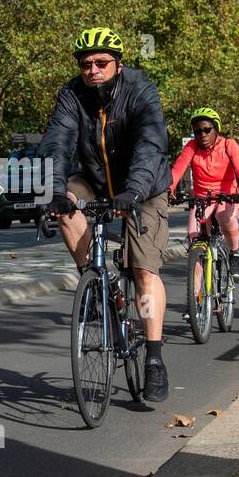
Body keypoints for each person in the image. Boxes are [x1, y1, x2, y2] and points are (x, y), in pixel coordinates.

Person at [39, 27, 173, 402]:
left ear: (118, 63)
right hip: (97, 181)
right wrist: (53, 192)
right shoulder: (71, 95)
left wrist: (133, 190)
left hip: (143, 186)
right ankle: (96, 282)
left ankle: (154, 358)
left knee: (144, 271)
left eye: (101, 63)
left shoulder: (141, 90)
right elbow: (57, 143)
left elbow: (150, 143)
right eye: (86, 64)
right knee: (66, 205)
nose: (93, 70)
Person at [168, 108, 239, 278]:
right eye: (198, 131)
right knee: (193, 237)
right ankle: (196, 299)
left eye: (207, 129)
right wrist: (170, 189)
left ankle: (234, 254)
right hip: (202, 200)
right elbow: (177, 169)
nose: (202, 134)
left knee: (222, 215)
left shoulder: (229, 145)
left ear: (216, 129)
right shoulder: (192, 147)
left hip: (228, 196)